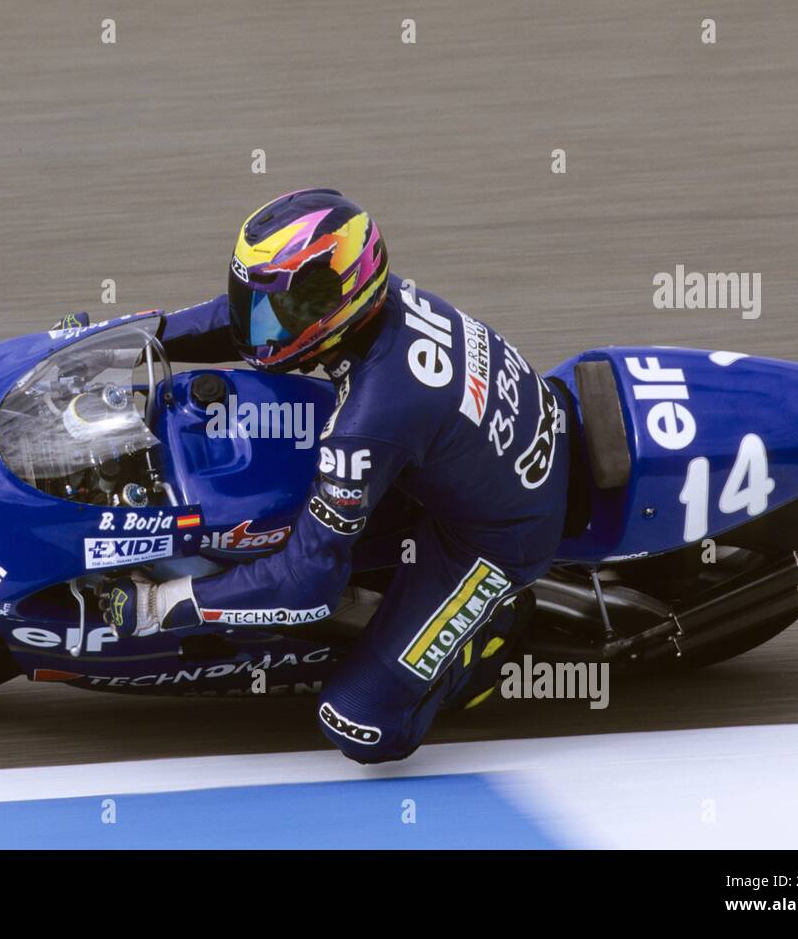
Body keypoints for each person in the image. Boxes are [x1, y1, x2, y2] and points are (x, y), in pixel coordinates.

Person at [99, 188, 569, 763]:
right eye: (253, 298)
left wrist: (162, 605)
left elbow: (307, 584)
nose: (259, 323)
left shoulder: (370, 418)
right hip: (470, 450)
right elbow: (238, 325)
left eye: (277, 308)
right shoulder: (375, 306)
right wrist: (125, 338)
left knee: (360, 723)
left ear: (339, 300)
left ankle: (485, 636)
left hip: (495, 535)